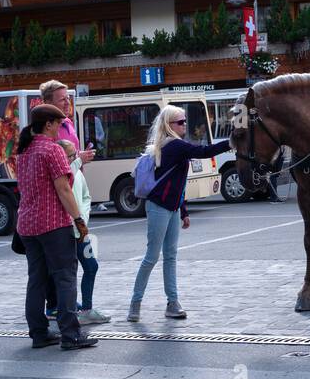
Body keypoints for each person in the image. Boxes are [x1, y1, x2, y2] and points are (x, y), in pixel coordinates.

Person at [128, 105, 229, 322]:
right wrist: (233, 142)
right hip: (158, 207)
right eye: (181, 122)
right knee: (152, 257)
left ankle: (172, 303)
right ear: (170, 125)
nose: (185, 125)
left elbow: (177, 183)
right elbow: (205, 152)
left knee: (170, 256)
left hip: (171, 207)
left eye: (185, 121)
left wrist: (183, 211)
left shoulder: (173, 145)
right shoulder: (175, 145)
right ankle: (135, 304)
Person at [15, 104, 97, 350]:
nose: (61, 129)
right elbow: (63, 189)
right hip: (53, 224)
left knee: (37, 280)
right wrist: (79, 220)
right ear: (48, 124)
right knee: (65, 277)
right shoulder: (52, 150)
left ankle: (39, 333)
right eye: (59, 124)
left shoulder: (25, 151)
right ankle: (71, 335)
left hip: (27, 225)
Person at [60, 140, 110, 326]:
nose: (76, 157)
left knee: (91, 267)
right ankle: (68, 308)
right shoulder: (65, 173)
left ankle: (86, 309)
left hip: (81, 230)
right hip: (66, 231)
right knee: (68, 273)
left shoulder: (77, 172)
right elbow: (67, 180)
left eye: (75, 154)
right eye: (71, 155)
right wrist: (78, 161)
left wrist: (83, 219)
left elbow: (86, 197)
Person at [39, 80, 95, 167]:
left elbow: (70, 153)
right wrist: (79, 158)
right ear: (48, 103)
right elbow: (51, 164)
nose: (68, 103)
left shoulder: (68, 122)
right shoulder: (45, 129)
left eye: (68, 98)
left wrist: (81, 155)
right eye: (62, 100)